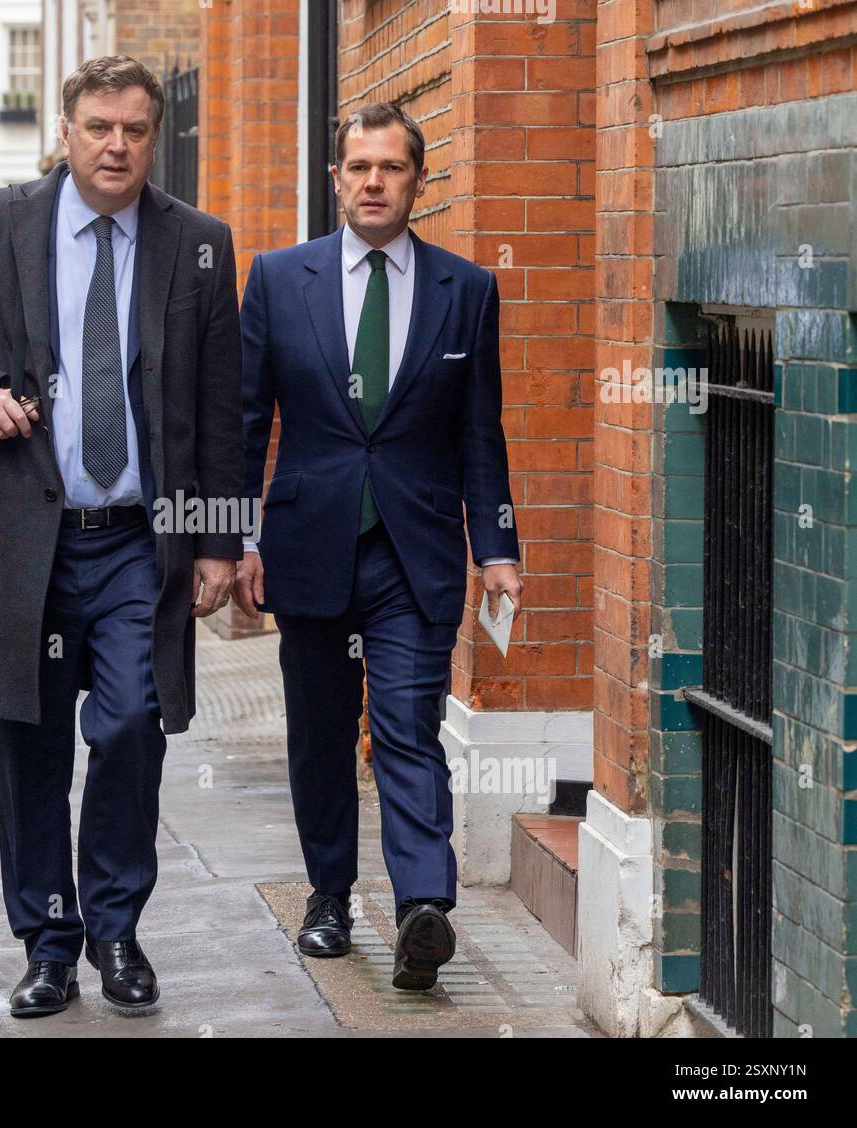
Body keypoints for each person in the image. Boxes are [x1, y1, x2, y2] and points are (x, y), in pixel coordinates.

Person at [0, 56, 243, 1017]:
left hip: (138, 541)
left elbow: (222, 405)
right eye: (98, 126)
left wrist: (218, 539)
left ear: (153, 135)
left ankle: (116, 931)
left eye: (133, 129)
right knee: (32, 745)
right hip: (26, 543)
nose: (116, 145)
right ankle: (48, 943)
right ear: (67, 127)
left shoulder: (200, 244)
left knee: (131, 723)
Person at [234, 102, 523, 992]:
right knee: (321, 735)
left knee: (407, 724)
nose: (372, 182)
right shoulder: (279, 280)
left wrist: (498, 543)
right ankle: (328, 896)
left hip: (416, 550)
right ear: (335, 179)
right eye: (358, 167)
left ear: (418, 181)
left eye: (391, 168)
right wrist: (236, 536)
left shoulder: (465, 289)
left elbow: (483, 430)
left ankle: (419, 909)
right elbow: (247, 423)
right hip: (310, 544)